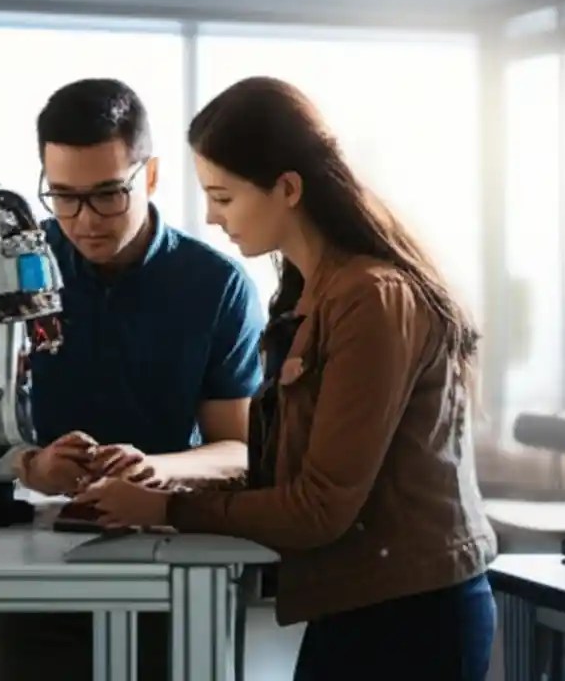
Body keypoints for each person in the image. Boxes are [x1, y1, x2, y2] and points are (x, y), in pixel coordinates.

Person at [75, 76, 499, 681]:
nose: (211, 217)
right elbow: (292, 469)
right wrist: (161, 475)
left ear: (289, 189)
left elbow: (320, 506)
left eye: (223, 197)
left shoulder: (371, 299)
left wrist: (167, 507)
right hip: (359, 603)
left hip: (410, 616)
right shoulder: (307, 292)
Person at [0, 78, 266, 681]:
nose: (84, 221)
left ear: (151, 175)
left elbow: (241, 448)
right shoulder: (8, 270)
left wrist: (154, 468)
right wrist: (28, 463)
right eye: (63, 197)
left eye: (108, 195)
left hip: (173, 563)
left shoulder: (215, 286)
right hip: (34, 568)